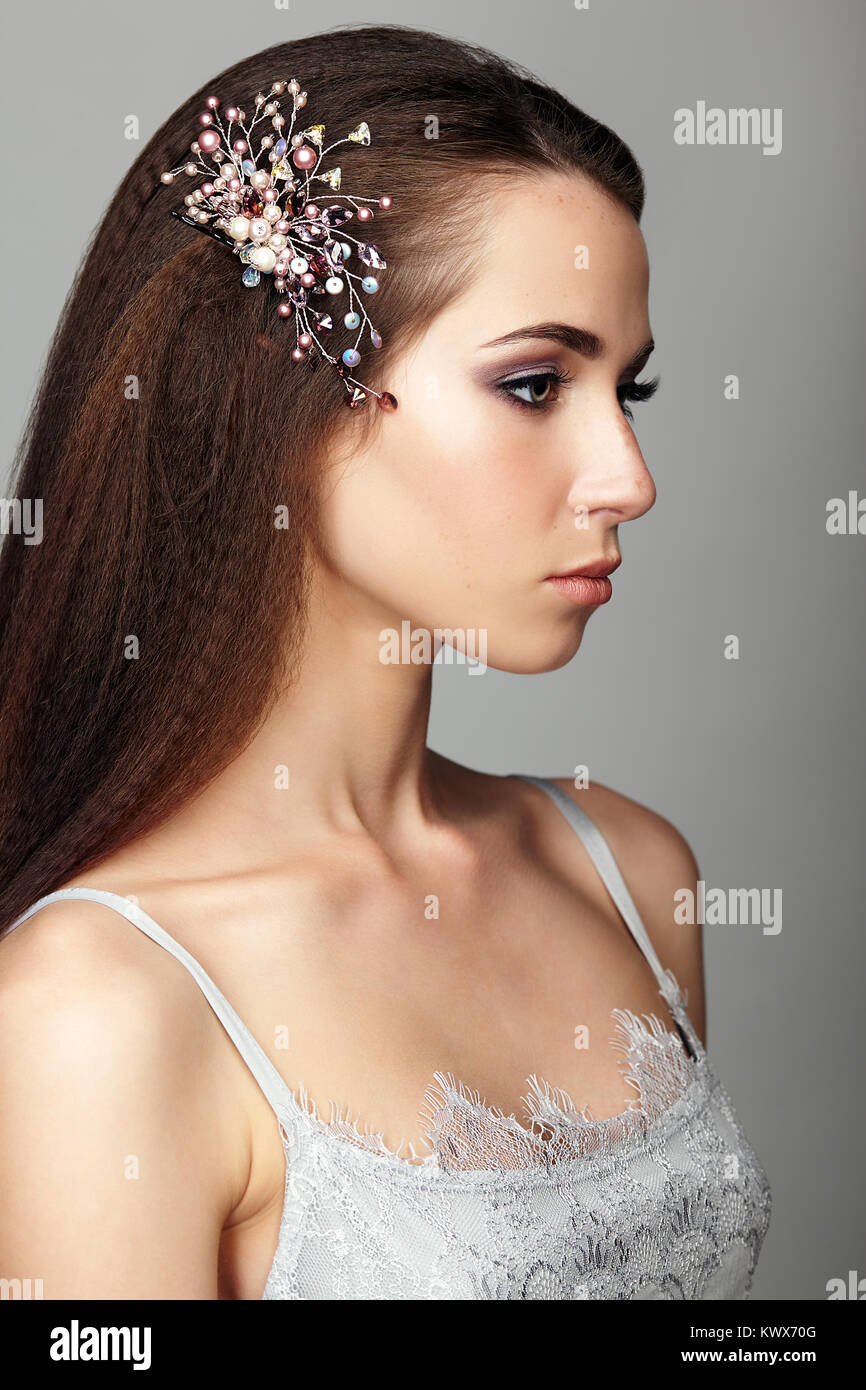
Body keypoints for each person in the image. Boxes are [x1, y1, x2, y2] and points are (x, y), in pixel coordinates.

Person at [0, 23, 770, 1300]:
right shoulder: (95, 1011)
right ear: (279, 391)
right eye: (533, 384)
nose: (628, 480)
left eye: (625, 392)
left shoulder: (628, 873)